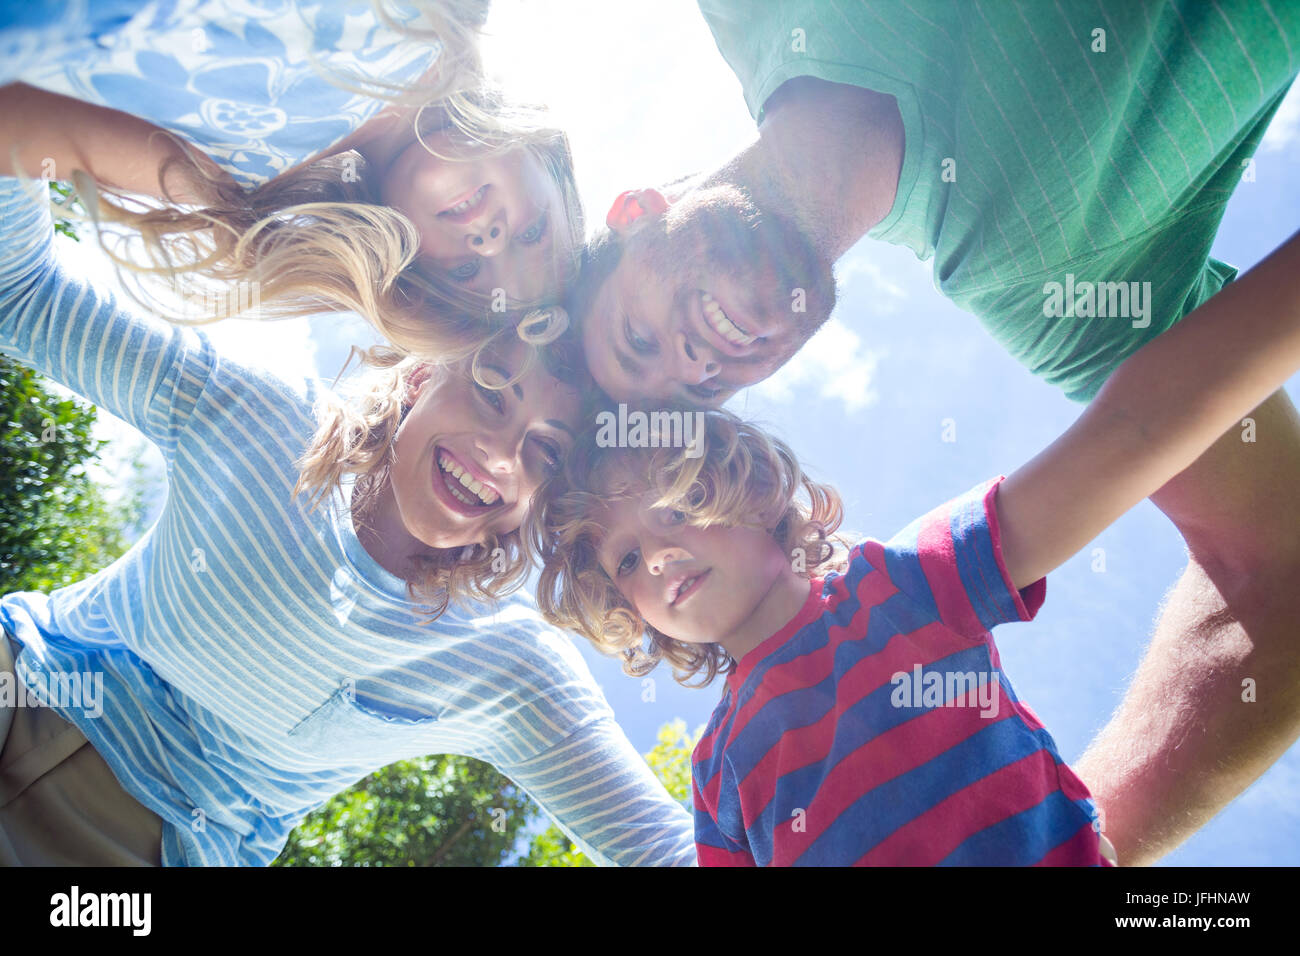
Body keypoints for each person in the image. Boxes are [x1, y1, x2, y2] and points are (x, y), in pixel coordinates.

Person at [566, 0, 1300, 865]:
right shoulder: (1071, 296)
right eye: (702, 392)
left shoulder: (897, 587)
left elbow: (1133, 436)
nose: (690, 360)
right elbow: (1257, 552)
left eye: (636, 338)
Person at [0, 173, 694, 866]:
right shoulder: (254, 416)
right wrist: (33, 106)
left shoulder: (511, 671)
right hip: (24, 684)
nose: (501, 455)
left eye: (544, 450)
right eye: (490, 395)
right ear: (423, 378)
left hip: (140, 849)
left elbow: (662, 852)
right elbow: (23, 296)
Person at [0, 0, 584, 360]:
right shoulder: (448, 11)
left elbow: (15, 124)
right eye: (533, 236)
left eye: (466, 272)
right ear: (545, 157)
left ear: (408, 265)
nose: (488, 243)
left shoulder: (227, 181)